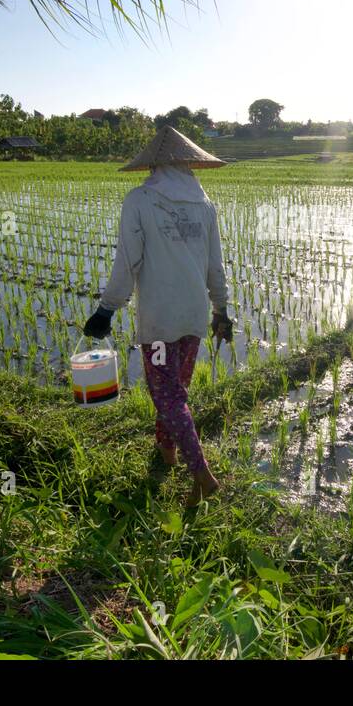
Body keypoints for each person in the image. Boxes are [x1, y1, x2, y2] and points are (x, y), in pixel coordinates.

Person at [84, 126, 233, 506]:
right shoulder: (206, 205)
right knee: (173, 391)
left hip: (161, 320)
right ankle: (166, 451)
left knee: (165, 394)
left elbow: (127, 262)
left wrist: (106, 309)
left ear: (154, 165)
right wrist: (221, 310)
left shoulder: (140, 200)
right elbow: (216, 265)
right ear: (187, 163)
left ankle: (201, 473)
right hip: (194, 316)